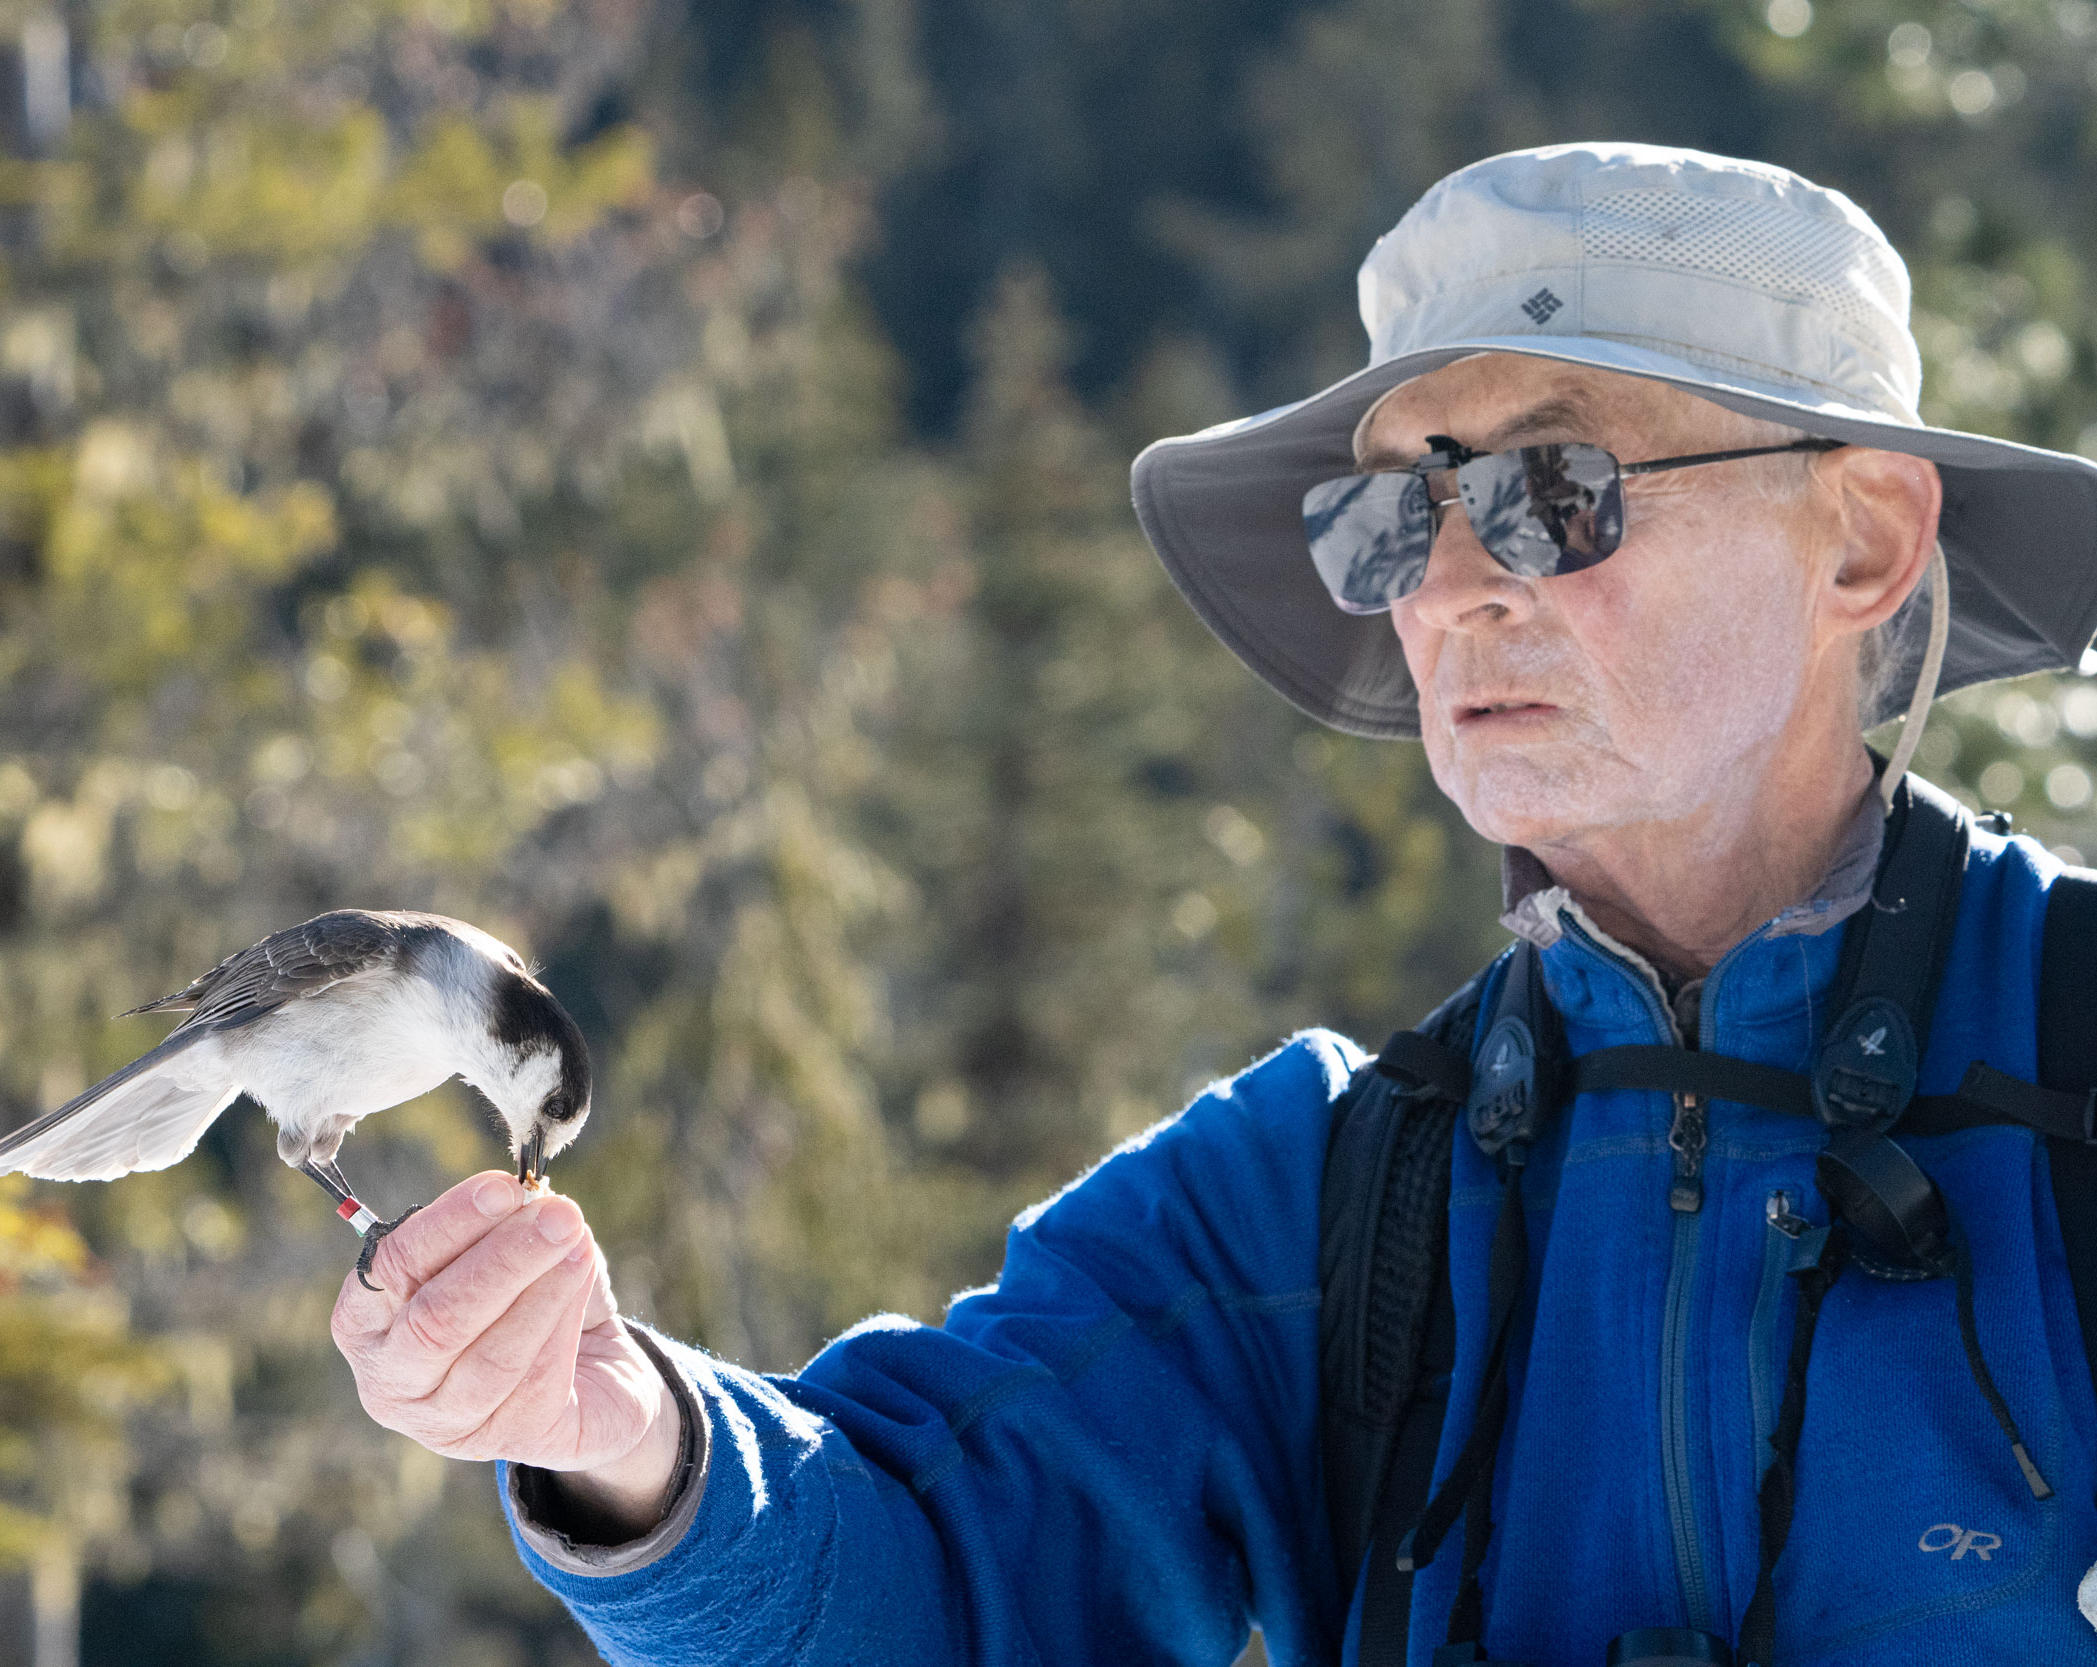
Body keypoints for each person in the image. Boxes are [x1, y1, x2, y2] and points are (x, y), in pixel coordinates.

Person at [328, 142, 2097, 1665]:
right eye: (1403, 519)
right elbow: (928, 1580)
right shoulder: (1319, 1190)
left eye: (1555, 494)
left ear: (1863, 543)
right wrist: (616, 1430)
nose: (1457, 589)